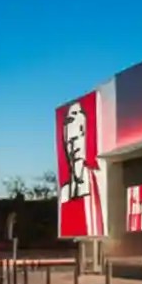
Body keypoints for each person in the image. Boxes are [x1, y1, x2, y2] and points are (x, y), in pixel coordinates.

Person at [59, 100, 103, 237]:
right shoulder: (65, 193)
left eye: (77, 138)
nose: (74, 147)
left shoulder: (97, 181)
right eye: (69, 142)